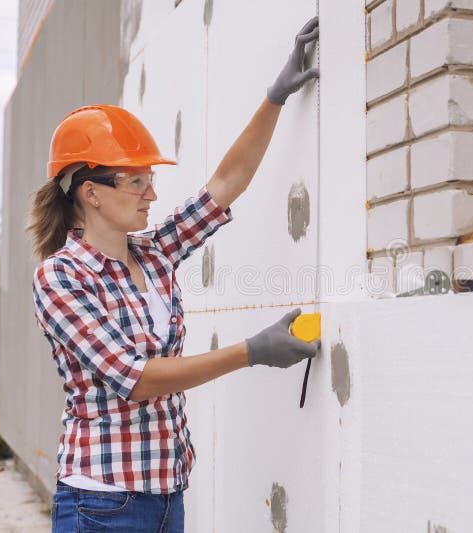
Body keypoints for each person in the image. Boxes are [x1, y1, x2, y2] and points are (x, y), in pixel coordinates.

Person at [27, 17, 321, 533]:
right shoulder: (60, 278)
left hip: (167, 496)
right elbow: (136, 379)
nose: (152, 194)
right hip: (101, 505)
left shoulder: (154, 252)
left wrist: (274, 97)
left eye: (151, 180)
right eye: (137, 182)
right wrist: (252, 351)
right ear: (91, 192)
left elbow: (225, 185)